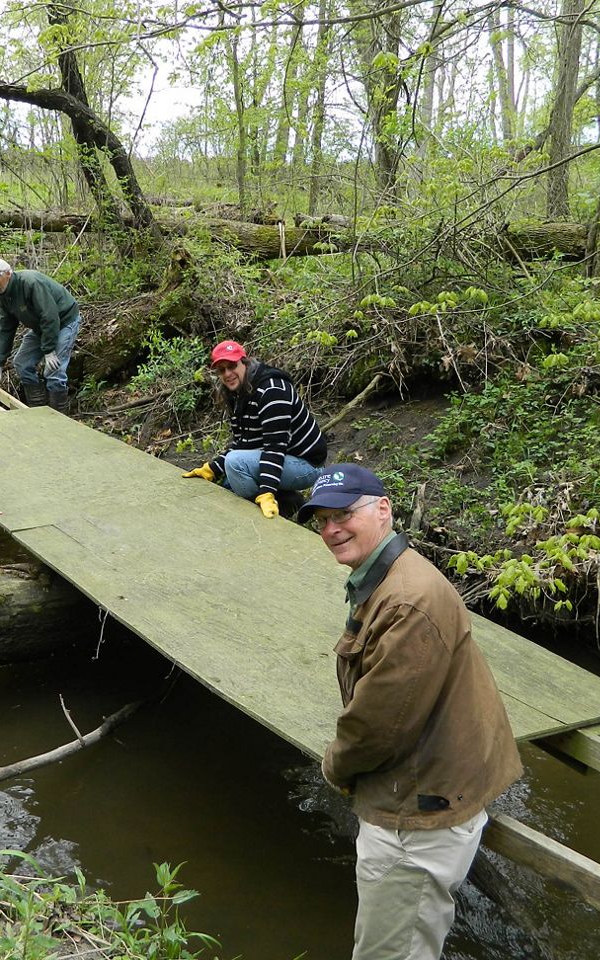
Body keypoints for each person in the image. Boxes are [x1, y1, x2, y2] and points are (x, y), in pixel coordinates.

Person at [297, 464, 522, 960]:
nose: (332, 529)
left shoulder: (406, 601)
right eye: (323, 519)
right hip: (432, 781)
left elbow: (378, 729)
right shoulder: (383, 577)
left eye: (344, 514)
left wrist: (334, 765)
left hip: (418, 813)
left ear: (383, 510)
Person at [181, 340, 327, 518]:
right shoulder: (238, 394)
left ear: (244, 362)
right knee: (230, 478)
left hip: (307, 465)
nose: (227, 374)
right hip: (285, 459)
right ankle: (288, 500)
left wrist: (267, 492)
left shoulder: (272, 391)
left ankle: (275, 506)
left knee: (235, 464)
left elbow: (275, 447)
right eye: (221, 370)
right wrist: (211, 469)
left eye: (232, 366)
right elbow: (244, 444)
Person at [0, 257, 80, 413]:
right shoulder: (4, 295)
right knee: (22, 363)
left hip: (64, 322)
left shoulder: (30, 283)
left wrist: (49, 350)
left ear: (7, 274)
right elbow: (5, 328)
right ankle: (38, 410)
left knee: (54, 371)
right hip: (42, 327)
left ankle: (59, 418)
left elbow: (50, 316)